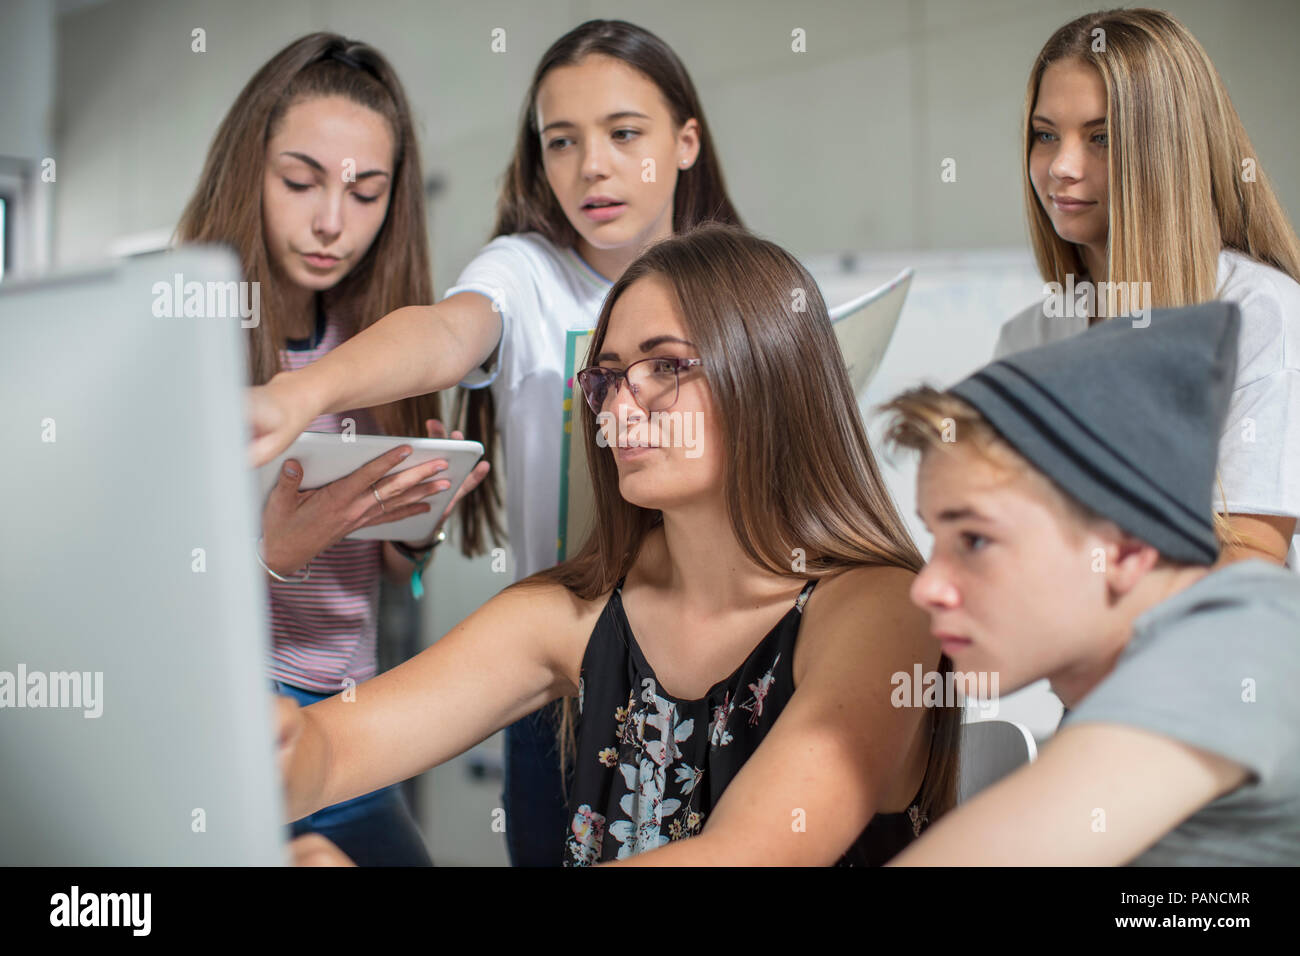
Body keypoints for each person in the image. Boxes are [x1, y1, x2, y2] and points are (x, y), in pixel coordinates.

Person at [275, 224, 963, 867]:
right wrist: (275, 742)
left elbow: (747, 853)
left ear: (765, 376)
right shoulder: (574, 611)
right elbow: (331, 749)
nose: (617, 409)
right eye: (606, 377)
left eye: (663, 367)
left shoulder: (881, 608)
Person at [246, 20, 749, 866]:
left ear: (686, 140)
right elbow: (447, 334)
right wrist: (309, 389)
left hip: (721, 670)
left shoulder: (743, 288)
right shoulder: (525, 271)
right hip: (558, 679)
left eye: (625, 133)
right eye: (562, 141)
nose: (592, 165)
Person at [176, 33, 487, 866]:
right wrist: (270, 557)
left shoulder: (381, 344)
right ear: (249, 171)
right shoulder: (182, 333)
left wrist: (417, 526)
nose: (330, 223)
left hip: (351, 713)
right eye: (300, 182)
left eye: (365, 193)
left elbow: (395, 575)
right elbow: (140, 593)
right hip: (224, 715)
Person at [880, 301, 1300, 865]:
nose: (927, 587)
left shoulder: (1237, 643)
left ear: (1126, 551)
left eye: (974, 541)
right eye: (936, 538)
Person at [997, 8, 1300, 568]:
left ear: (1166, 152)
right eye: (1045, 135)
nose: (1061, 166)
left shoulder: (1261, 314)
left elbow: (1246, 566)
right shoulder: (1029, 336)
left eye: (1101, 137)